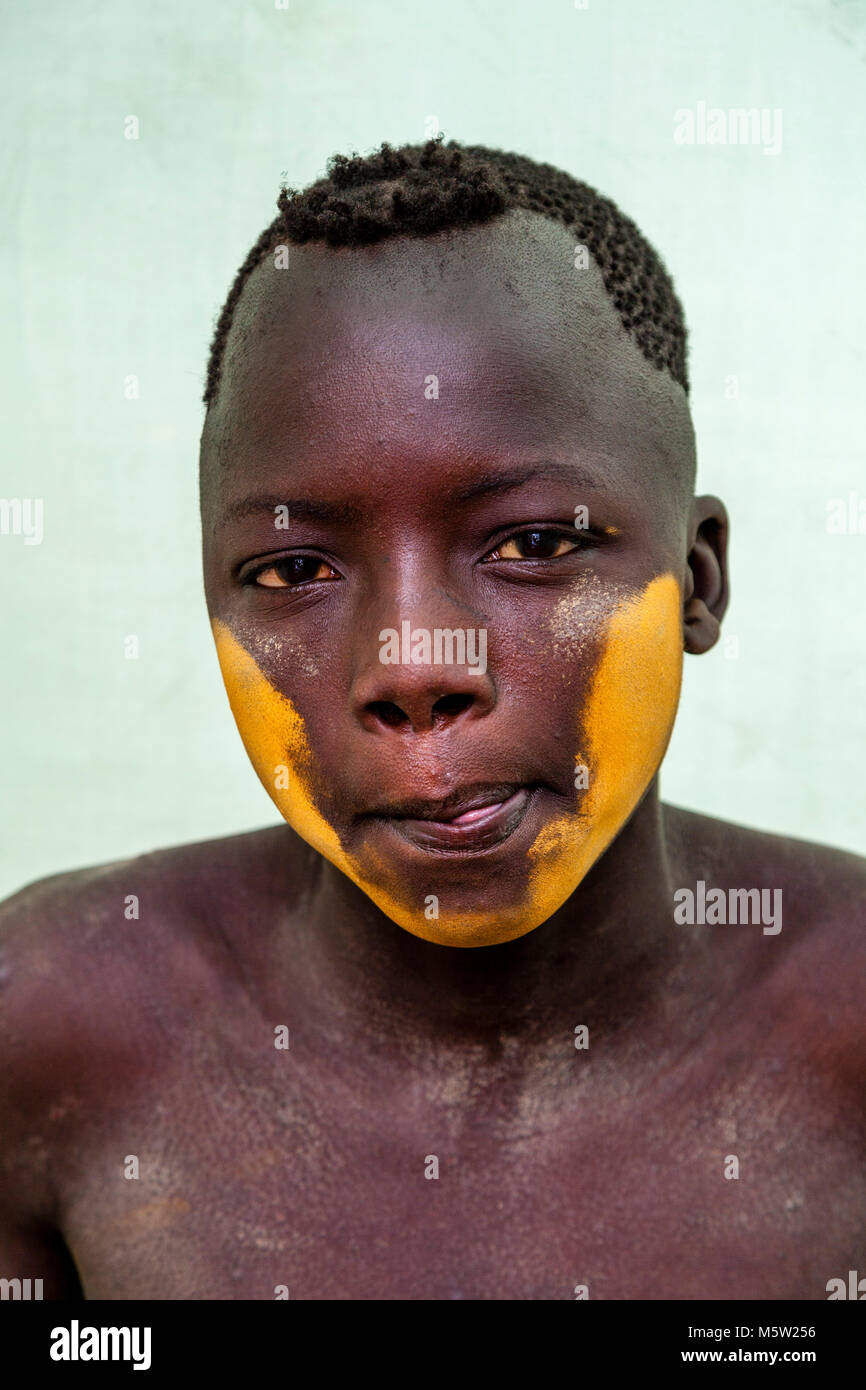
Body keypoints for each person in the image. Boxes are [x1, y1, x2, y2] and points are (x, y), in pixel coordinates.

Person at [1, 139, 863, 1300]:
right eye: (293, 567)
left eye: (534, 544)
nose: (413, 665)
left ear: (696, 582)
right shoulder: (53, 1022)